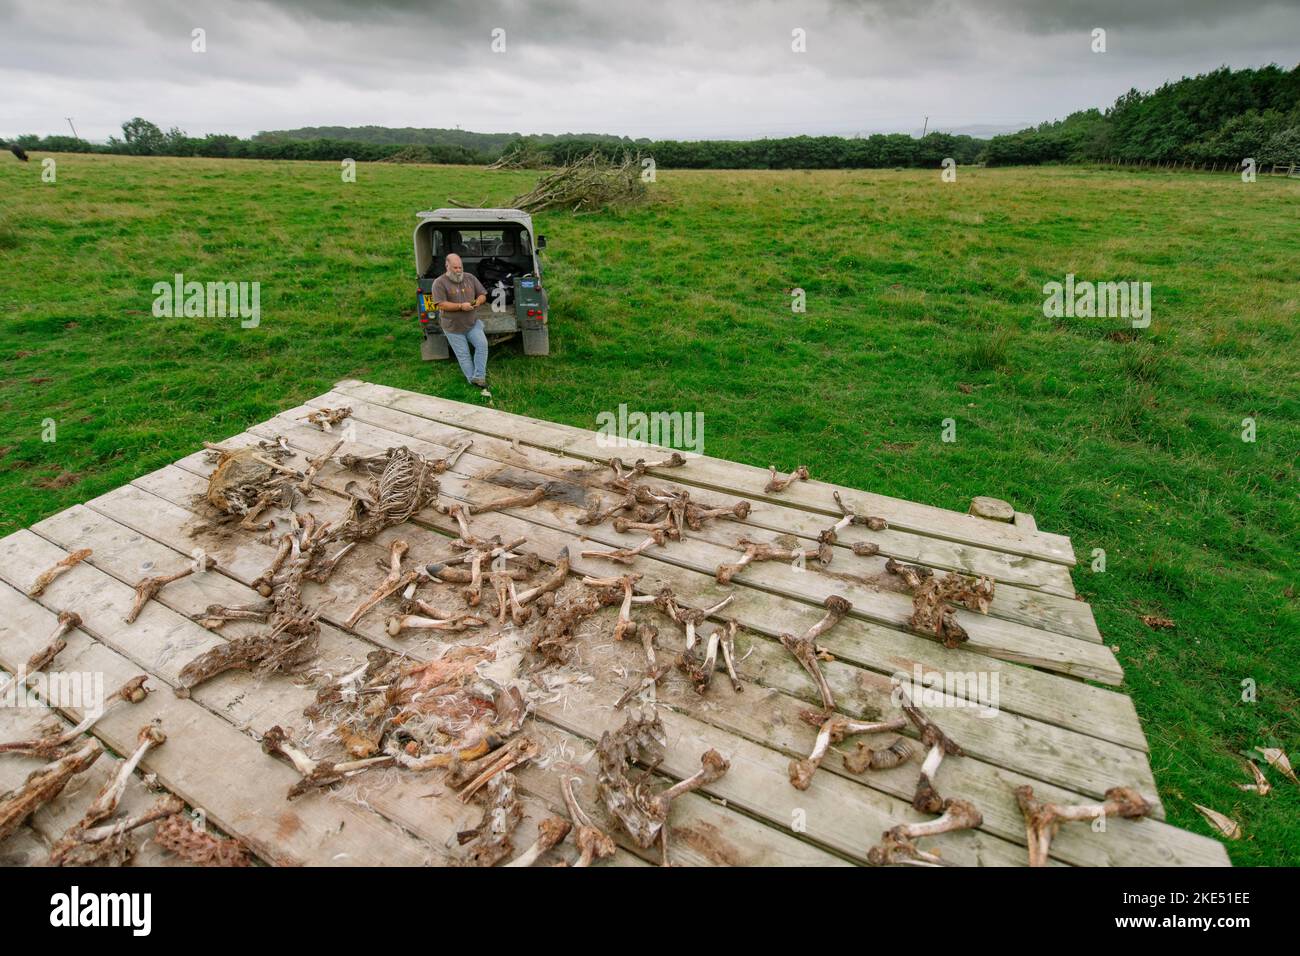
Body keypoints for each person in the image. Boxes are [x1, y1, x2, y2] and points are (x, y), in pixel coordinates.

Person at [431, 253, 490, 391]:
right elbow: (441, 304)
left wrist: (478, 301)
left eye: (460, 267)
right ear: (447, 266)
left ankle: (479, 377)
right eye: (455, 268)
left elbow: (483, 294)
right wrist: (460, 306)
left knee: (482, 345)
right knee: (464, 355)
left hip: (472, 323)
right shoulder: (439, 283)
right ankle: (473, 382)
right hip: (452, 327)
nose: (458, 270)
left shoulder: (470, 278)